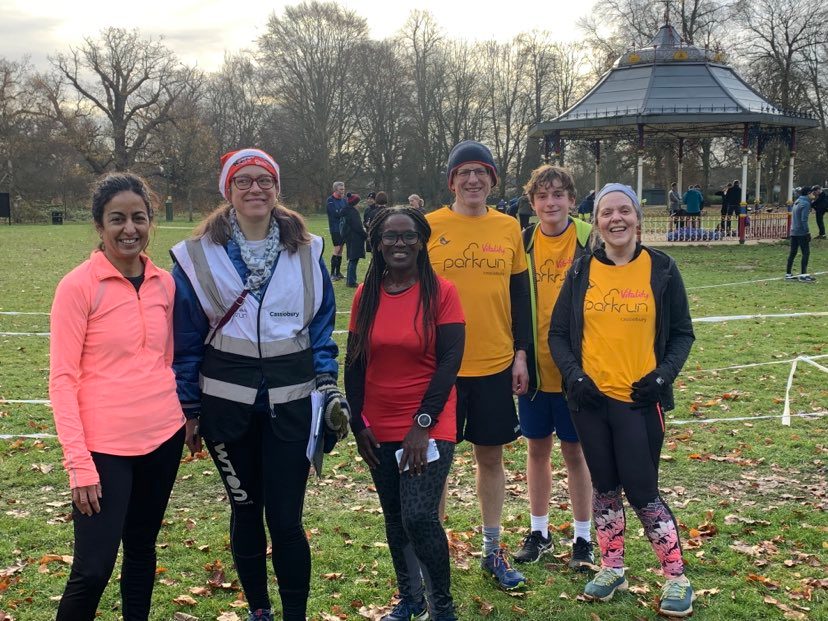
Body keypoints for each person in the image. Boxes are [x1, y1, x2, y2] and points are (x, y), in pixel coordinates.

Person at [171, 148, 346, 621]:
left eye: (264, 180)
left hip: (292, 407)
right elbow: (184, 343)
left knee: (286, 521)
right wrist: (188, 406)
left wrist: (328, 385)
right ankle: (259, 610)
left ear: (277, 188)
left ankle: (293, 614)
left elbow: (321, 330)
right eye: (243, 180)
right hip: (225, 410)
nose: (255, 189)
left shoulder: (309, 249)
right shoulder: (195, 256)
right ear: (227, 190)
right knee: (246, 512)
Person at [549, 183, 696, 617]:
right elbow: (558, 334)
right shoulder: (580, 272)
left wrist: (663, 375)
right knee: (605, 489)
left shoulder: (662, 269)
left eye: (624, 211)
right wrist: (574, 376)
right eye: (607, 212)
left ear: (638, 218)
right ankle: (612, 567)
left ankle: (675, 577)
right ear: (596, 222)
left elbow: (683, 333)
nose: (616, 219)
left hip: (638, 401)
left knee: (643, 490)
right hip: (590, 401)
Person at [49, 173, 185, 621]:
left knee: (142, 551)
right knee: (92, 569)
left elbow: (164, 360)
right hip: (103, 450)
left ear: (150, 223)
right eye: (117, 219)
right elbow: (62, 380)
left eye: (139, 218)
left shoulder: (165, 283)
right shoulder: (78, 286)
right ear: (99, 225)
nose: (130, 228)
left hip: (163, 439)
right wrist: (78, 463)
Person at [345, 206, 465, 621]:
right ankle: (409, 598)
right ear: (378, 244)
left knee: (418, 515)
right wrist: (358, 422)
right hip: (378, 423)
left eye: (408, 236)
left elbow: (450, 361)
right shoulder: (367, 293)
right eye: (390, 237)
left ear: (421, 240)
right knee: (395, 516)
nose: (400, 244)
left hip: (429, 421)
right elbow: (355, 362)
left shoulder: (441, 291)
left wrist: (423, 424)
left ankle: (441, 606)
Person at [426, 140, 531, 591]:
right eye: (464, 173)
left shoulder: (509, 227)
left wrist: (521, 353)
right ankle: (435, 553)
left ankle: (493, 550)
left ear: (492, 180)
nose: (472, 180)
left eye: (481, 173)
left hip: (494, 363)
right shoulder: (427, 226)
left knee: (490, 457)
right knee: (437, 464)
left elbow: (520, 296)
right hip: (439, 367)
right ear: (451, 181)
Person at [511, 165, 595, 570]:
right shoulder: (522, 242)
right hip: (534, 369)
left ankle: (583, 537)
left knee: (576, 453)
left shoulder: (589, 239)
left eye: (558, 194)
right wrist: (519, 352)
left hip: (577, 371)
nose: (550, 203)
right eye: (542, 196)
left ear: (571, 200)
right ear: (532, 203)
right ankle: (539, 531)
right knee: (536, 449)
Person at [785, 186, 816, 283]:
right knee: (806, 253)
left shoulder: (797, 201)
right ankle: (803, 275)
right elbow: (804, 219)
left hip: (793, 231)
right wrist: (807, 232)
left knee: (793, 253)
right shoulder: (806, 203)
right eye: (812, 193)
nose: (813, 194)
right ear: (808, 193)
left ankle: (788, 274)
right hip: (801, 232)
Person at [341, 192, 367, 287]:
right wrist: (365, 235)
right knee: (353, 259)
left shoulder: (346, 211)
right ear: (355, 203)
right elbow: (357, 227)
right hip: (355, 238)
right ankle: (351, 281)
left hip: (350, 238)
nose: (359, 204)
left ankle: (350, 279)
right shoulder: (353, 212)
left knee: (352, 259)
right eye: (358, 203)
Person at [326, 180, 348, 280]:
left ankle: (338, 272)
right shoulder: (330, 200)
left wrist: (342, 212)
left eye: (343, 189)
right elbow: (335, 214)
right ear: (335, 189)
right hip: (335, 228)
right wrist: (341, 213)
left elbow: (345, 212)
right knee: (337, 249)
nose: (343, 191)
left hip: (344, 228)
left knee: (341, 250)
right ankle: (332, 273)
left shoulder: (344, 200)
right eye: (341, 189)